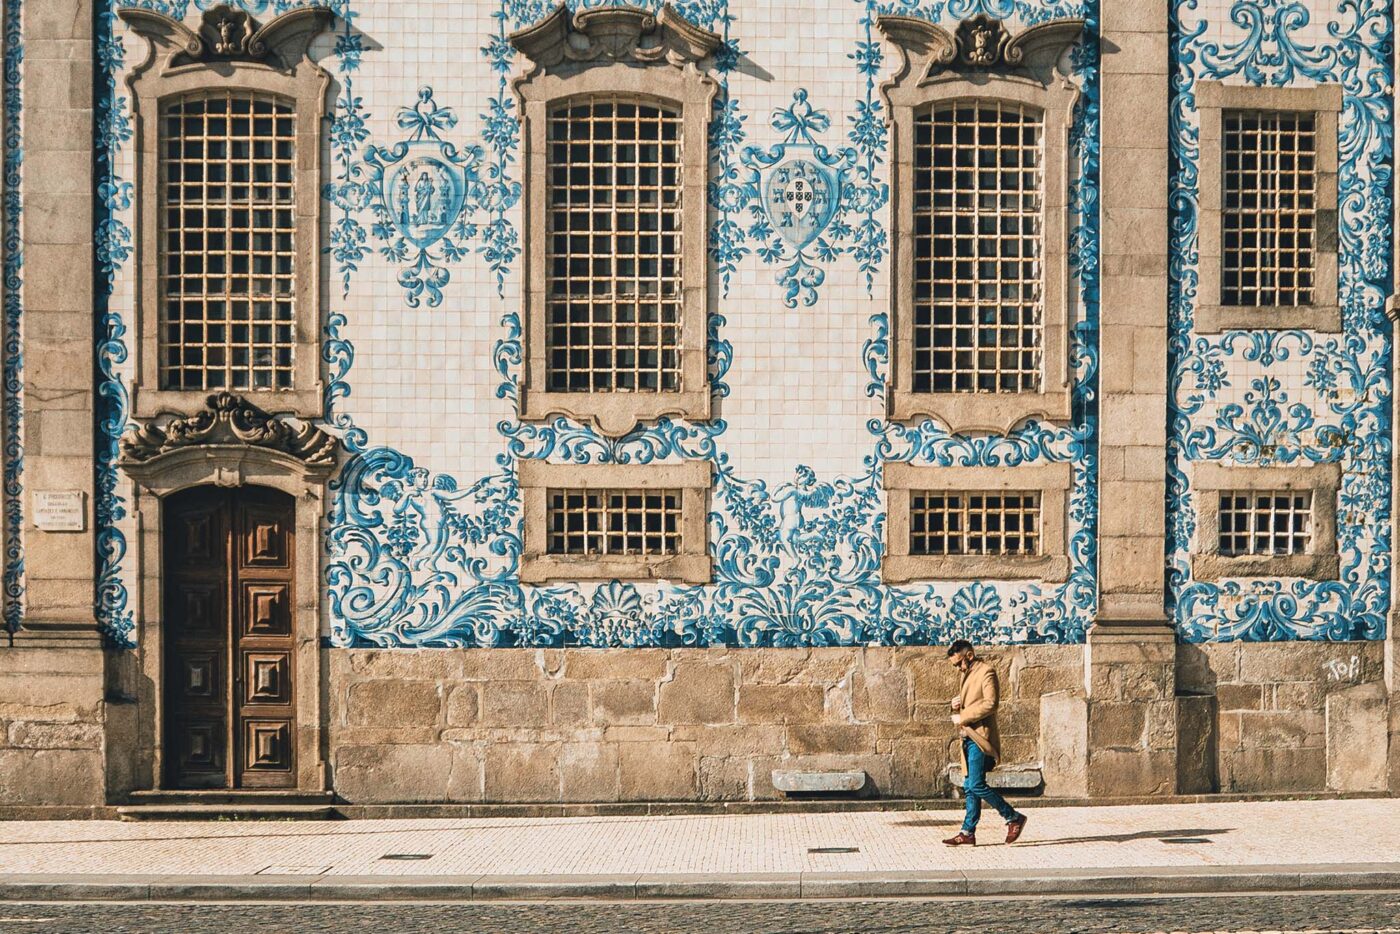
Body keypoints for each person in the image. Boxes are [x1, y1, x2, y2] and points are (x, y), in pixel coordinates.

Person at [942, 639, 1027, 846]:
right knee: (969, 786)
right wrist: (956, 705)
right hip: (968, 736)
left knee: (976, 784)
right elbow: (972, 702)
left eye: (959, 663)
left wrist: (963, 716)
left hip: (980, 738)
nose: (958, 668)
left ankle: (1013, 817)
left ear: (969, 655)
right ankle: (967, 832)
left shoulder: (987, 672)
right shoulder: (967, 674)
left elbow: (991, 703)